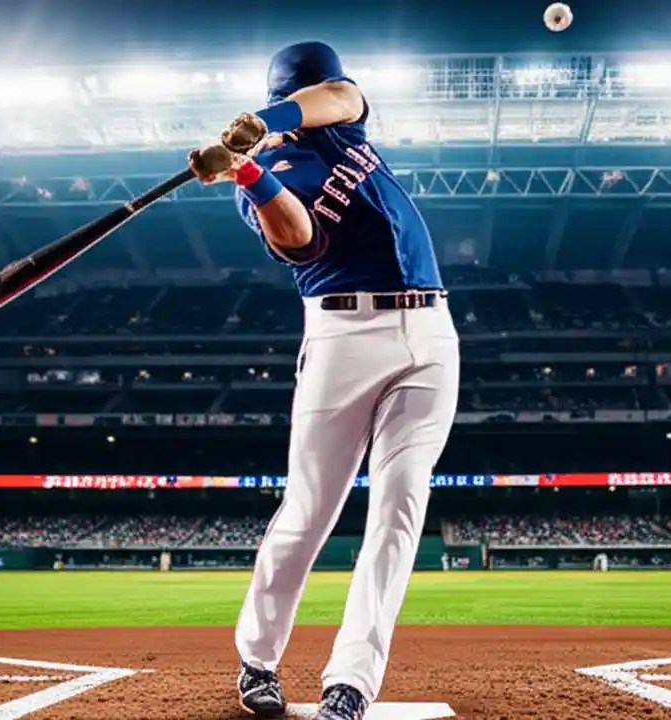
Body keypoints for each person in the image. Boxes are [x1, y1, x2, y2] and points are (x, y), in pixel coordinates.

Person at [189, 41, 459, 720]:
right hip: (342, 336)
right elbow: (301, 240)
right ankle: (258, 659)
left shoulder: (343, 119)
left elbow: (338, 96)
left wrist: (261, 118)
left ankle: (352, 683)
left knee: (400, 507)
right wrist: (250, 170)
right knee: (310, 511)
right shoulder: (268, 169)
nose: (332, 90)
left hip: (431, 331)